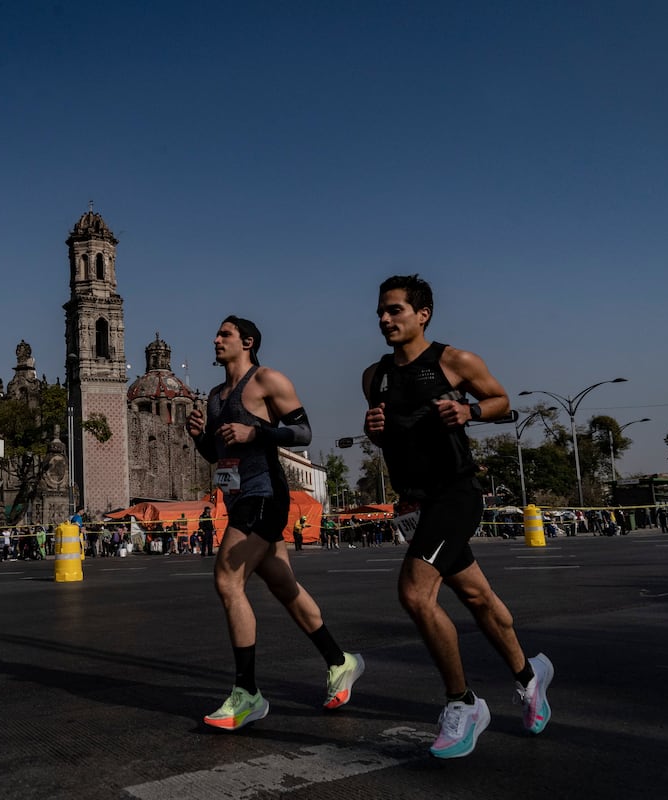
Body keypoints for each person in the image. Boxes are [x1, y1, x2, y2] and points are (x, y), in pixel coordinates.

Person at [361, 274, 553, 759]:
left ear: (422, 314)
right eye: (381, 311)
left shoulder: (455, 361)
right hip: (415, 502)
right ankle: (530, 678)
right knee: (477, 597)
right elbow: (391, 437)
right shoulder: (374, 376)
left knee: (414, 592)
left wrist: (471, 412)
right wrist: (374, 431)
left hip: (456, 493)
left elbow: (501, 400)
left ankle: (463, 703)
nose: (385, 319)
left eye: (395, 310)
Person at [186, 315, 364, 731]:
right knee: (284, 586)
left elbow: (302, 432)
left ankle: (247, 693)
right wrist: (200, 437)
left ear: (247, 342)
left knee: (227, 581)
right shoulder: (213, 397)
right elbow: (219, 457)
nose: (215, 339)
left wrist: (257, 435)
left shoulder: (267, 380)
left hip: (265, 495)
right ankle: (341, 662)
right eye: (216, 333)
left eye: (225, 334)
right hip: (238, 497)